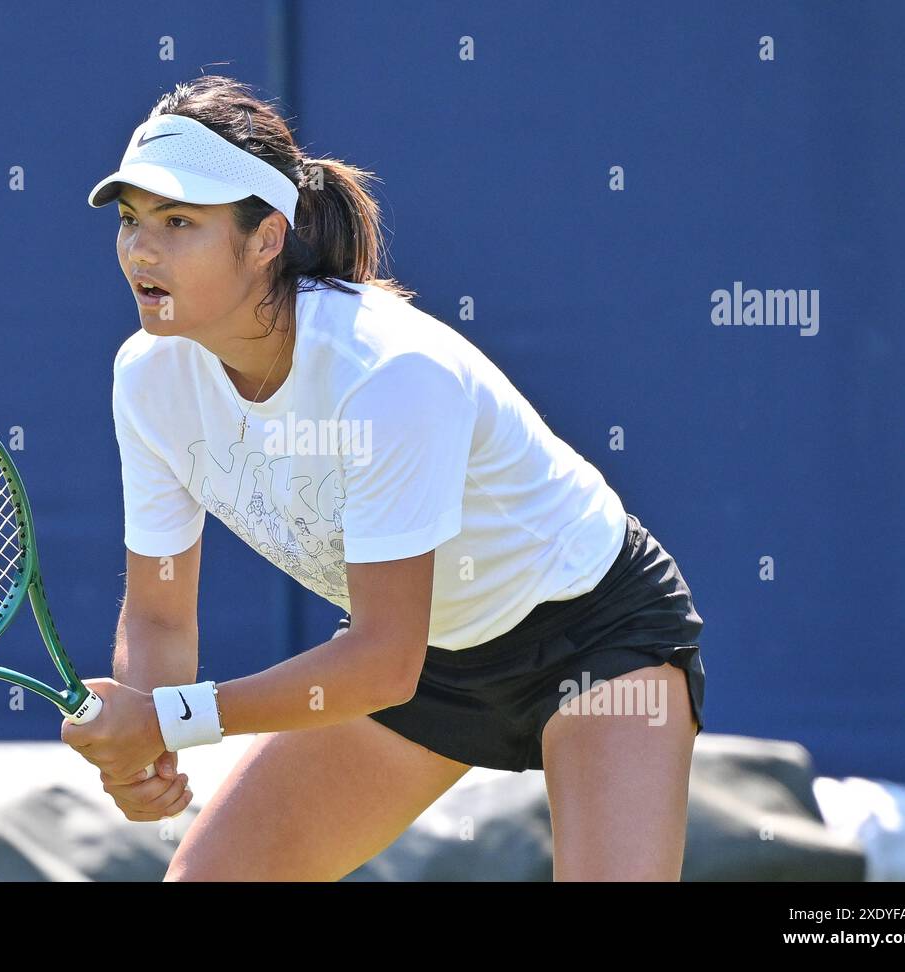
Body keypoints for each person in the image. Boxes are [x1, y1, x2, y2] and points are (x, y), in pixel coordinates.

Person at [61, 75, 707, 881]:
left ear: (266, 238)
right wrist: (140, 749)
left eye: (179, 221)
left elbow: (378, 665)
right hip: (426, 660)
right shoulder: (146, 379)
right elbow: (158, 616)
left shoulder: (389, 373)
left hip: (591, 638)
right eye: (131, 221)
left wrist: (172, 719)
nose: (142, 251)